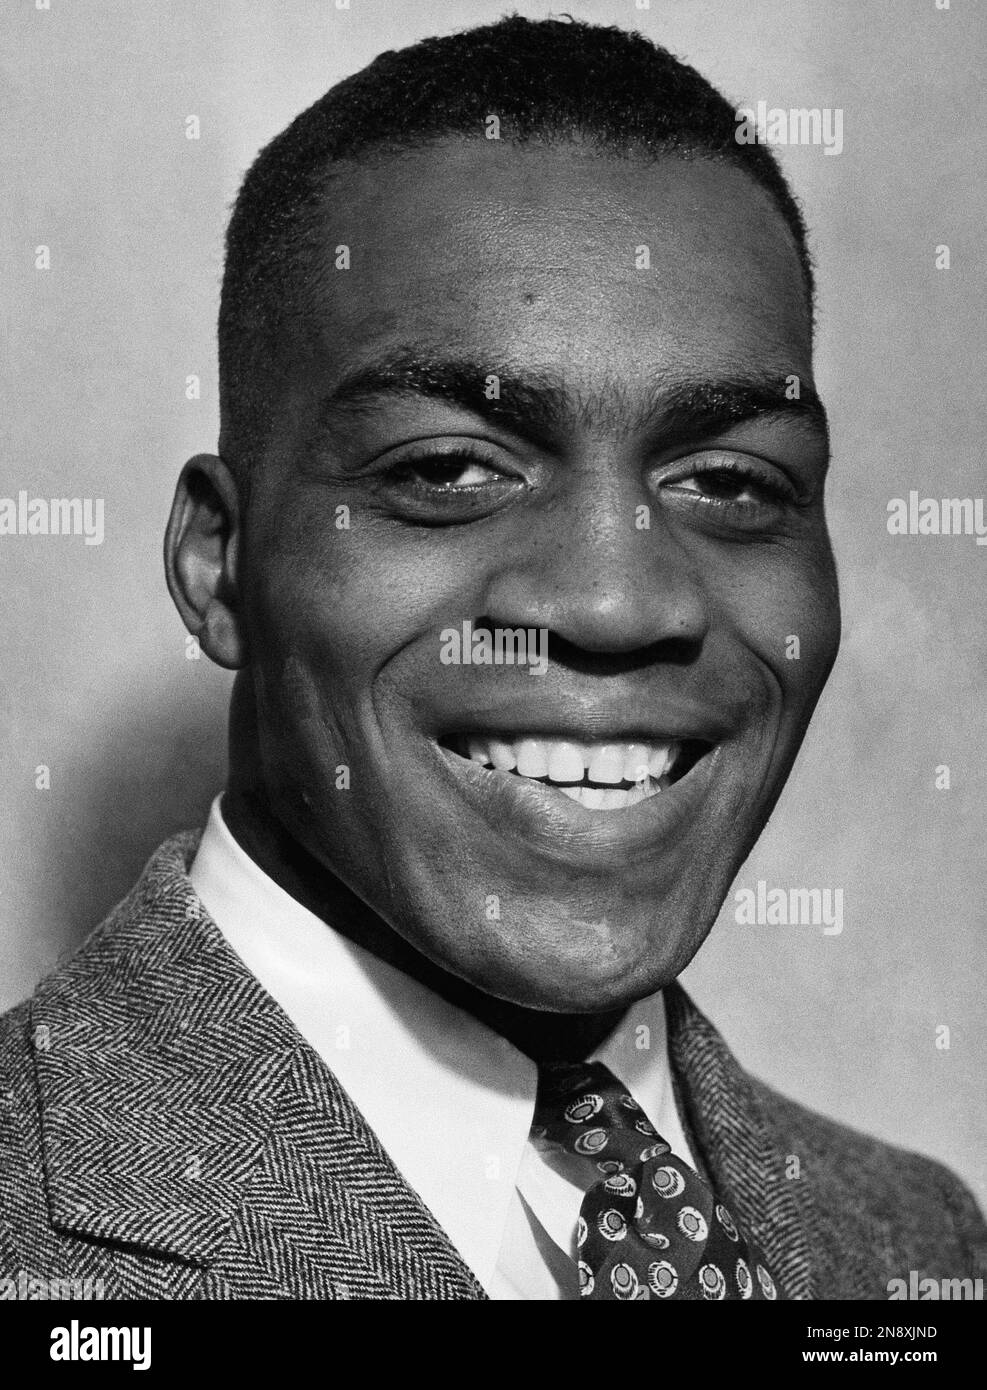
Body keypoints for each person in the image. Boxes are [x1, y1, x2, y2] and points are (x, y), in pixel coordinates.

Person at [1, 15, 982, 1301]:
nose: (619, 601)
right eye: (451, 470)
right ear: (217, 563)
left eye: (732, 483)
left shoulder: (921, 1244)